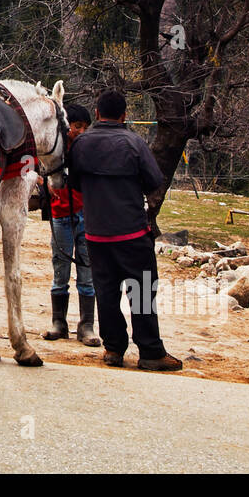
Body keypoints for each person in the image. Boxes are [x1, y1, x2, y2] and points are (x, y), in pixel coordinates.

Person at [69, 89, 181, 372]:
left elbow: (75, 184)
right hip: (131, 232)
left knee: (106, 292)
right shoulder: (133, 143)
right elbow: (154, 180)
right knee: (141, 291)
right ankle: (150, 351)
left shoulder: (81, 144)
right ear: (124, 116)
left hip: (96, 233)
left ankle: (114, 348)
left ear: (96, 113)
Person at [43, 103, 99, 346]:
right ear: (66, 128)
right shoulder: (54, 152)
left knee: (87, 272)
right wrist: (44, 182)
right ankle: (59, 323)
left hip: (86, 215)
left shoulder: (90, 151)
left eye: (85, 128)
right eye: (77, 127)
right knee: (60, 268)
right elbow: (37, 169)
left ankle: (86, 325)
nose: (81, 132)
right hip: (60, 214)